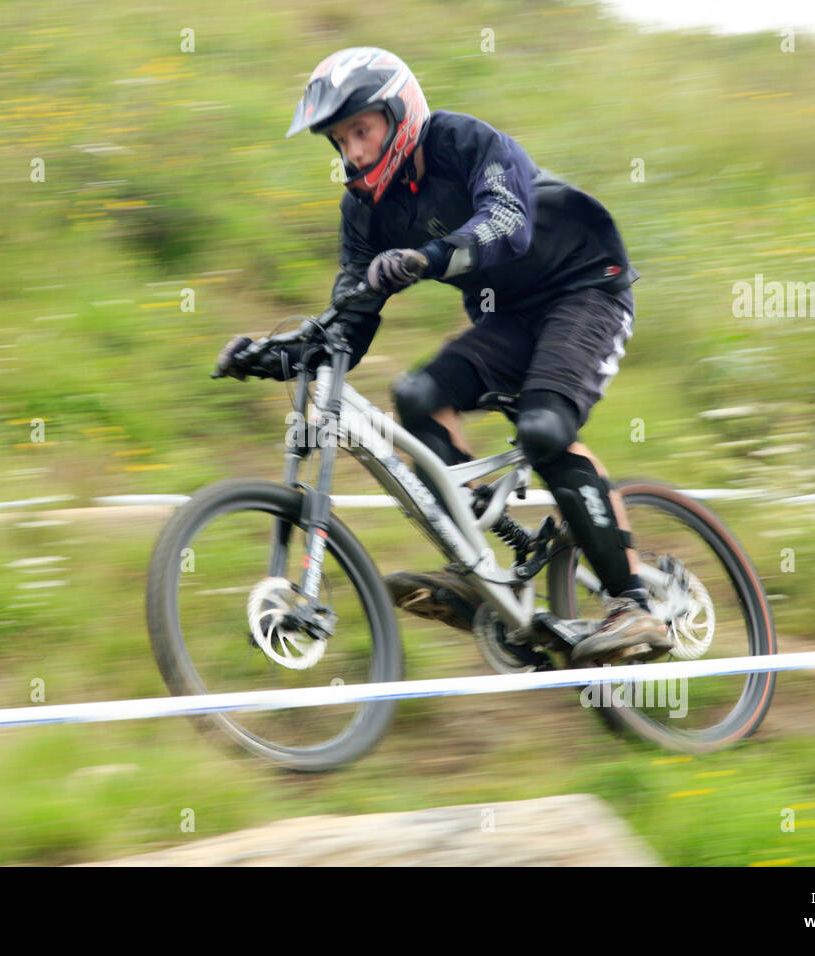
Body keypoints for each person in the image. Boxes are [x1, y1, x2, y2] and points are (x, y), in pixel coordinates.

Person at [219, 47, 671, 666]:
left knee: (543, 428)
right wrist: (279, 357)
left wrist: (428, 258)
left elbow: (507, 223)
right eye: (339, 139)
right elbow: (350, 321)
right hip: (507, 316)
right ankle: (479, 567)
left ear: (399, 113)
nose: (351, 152)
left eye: (361, 130)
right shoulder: (364, 210)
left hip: (585, 288)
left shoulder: (464, 140)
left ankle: (634, 604)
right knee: (417, 397)